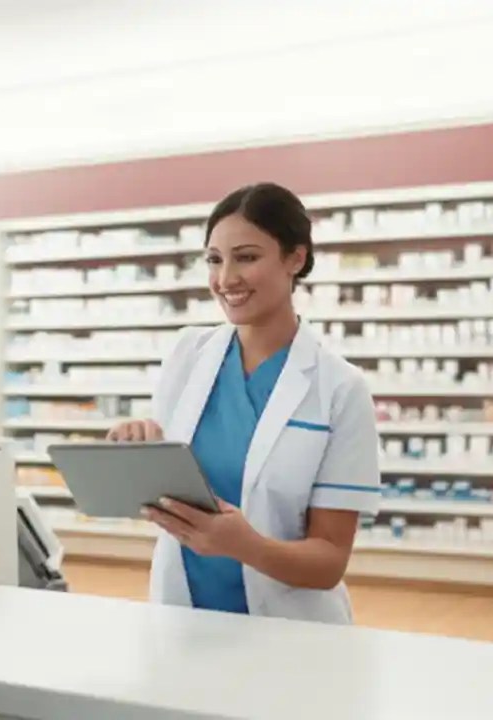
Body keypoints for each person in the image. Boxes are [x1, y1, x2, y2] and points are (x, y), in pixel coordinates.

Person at [107, 182, 381, 624]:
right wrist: (137, 446)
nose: (225, 279)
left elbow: (330, 561)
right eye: (215, 260)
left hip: (289, 631)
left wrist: (246, 546)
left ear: (296, 258)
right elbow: (165, 492)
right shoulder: (187, 354)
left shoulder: (340, 388)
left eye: (247, 257)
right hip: (183, 619)